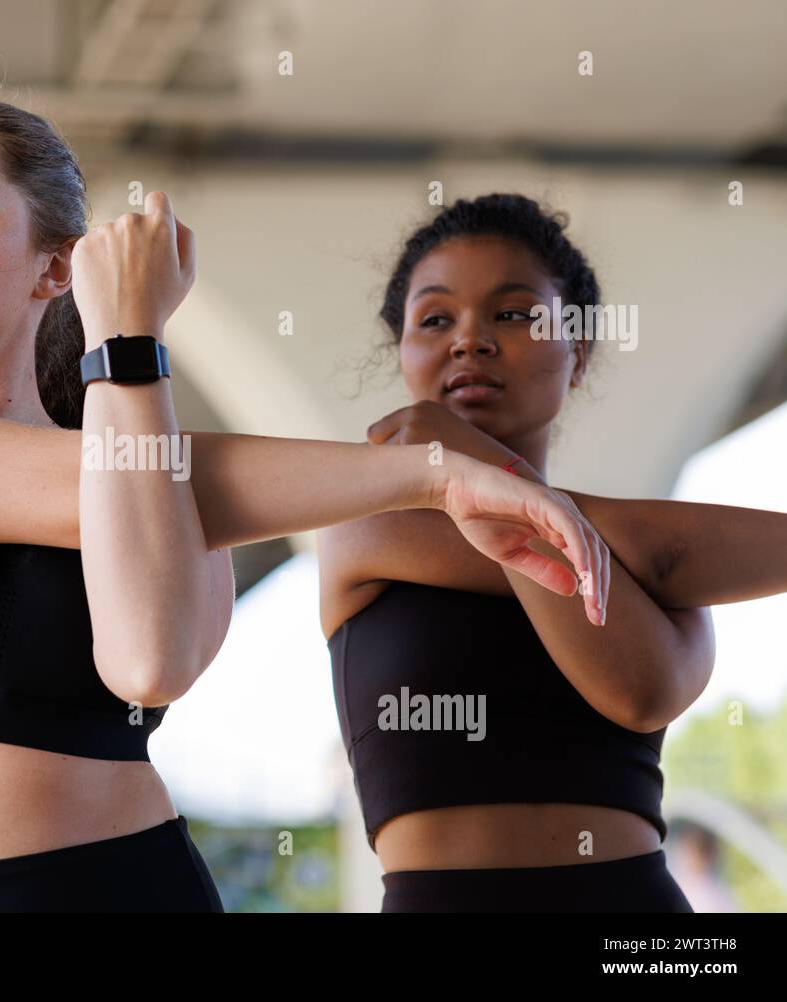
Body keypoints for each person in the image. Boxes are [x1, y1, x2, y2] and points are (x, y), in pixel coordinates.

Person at [0, 104, 609, 912]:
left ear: (55, 266)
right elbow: (94, 482)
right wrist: (433, 476)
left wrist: (129, 341)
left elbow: (149, 663)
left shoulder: (158, 468)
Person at [321, 193, 787, 912]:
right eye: (436, 318)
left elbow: (639, 690)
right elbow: (663, 553)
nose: (469, 340)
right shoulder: (366, 521)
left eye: (513, 314)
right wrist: (488, 482)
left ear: (579, 354)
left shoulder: (655, 557)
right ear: (404, 352)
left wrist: (472, 455)